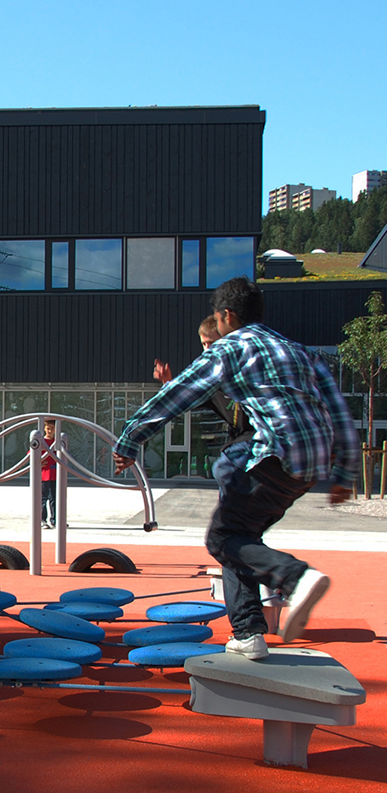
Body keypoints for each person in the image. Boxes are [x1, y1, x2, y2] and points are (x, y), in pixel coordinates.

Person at [112, 277, 358, 661]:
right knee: (240, 539)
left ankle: (295, 577)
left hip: (272, 455)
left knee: (222, 539)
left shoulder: (230, 348)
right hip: (311, 466)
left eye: (216, 320)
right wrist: (345, 473)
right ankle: (248, 634)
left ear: (226, 316)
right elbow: (339, 410)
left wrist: (129, 440)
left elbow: (176, 396)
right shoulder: (302, 352)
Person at [154, 315, 254, 493]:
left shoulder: (248, 368)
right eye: (204, 344)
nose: (208, 349)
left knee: (227, 469)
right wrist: (168, 384)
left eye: (212, 343)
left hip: (261, 437)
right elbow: (185, 399)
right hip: (239, 440)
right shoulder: (210, 382)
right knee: (228, 475)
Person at [40, 419, 58, 529]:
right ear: (44, 429)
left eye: (52, 429)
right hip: (44, 475)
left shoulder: (58, 442)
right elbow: (31, 454)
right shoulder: (41, 442)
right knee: (43, 498)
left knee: (55, 498)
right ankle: (43, 520)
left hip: (55, 475)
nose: (50, 431)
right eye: (48, 428)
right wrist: (39, 462)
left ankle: (55, 520)